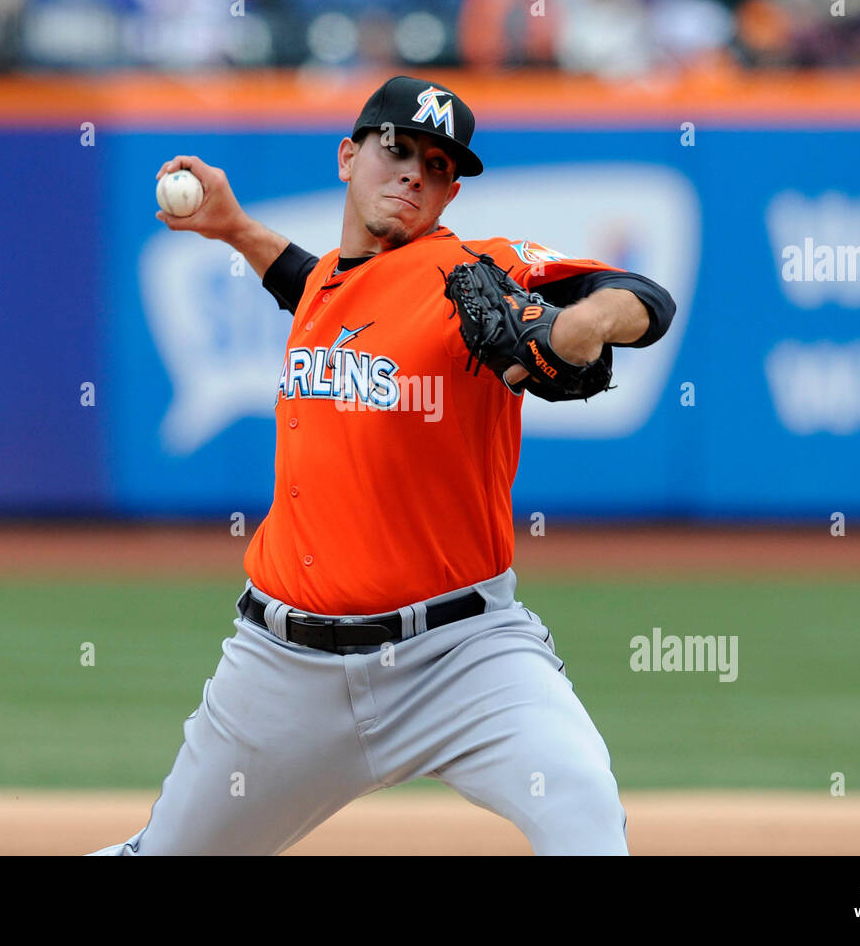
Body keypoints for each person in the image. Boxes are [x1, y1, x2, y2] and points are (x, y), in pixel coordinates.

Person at [94, 76, 676, 855]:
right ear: (348, 155)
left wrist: (582, 325)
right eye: (397, 150)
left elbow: (643, 295)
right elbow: (310, 283)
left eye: (438, 167)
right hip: (280, 670)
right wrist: (234, 230)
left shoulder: (476, 269)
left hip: (462, 658)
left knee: (580, 803)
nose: (414, 174)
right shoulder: (332, 283)